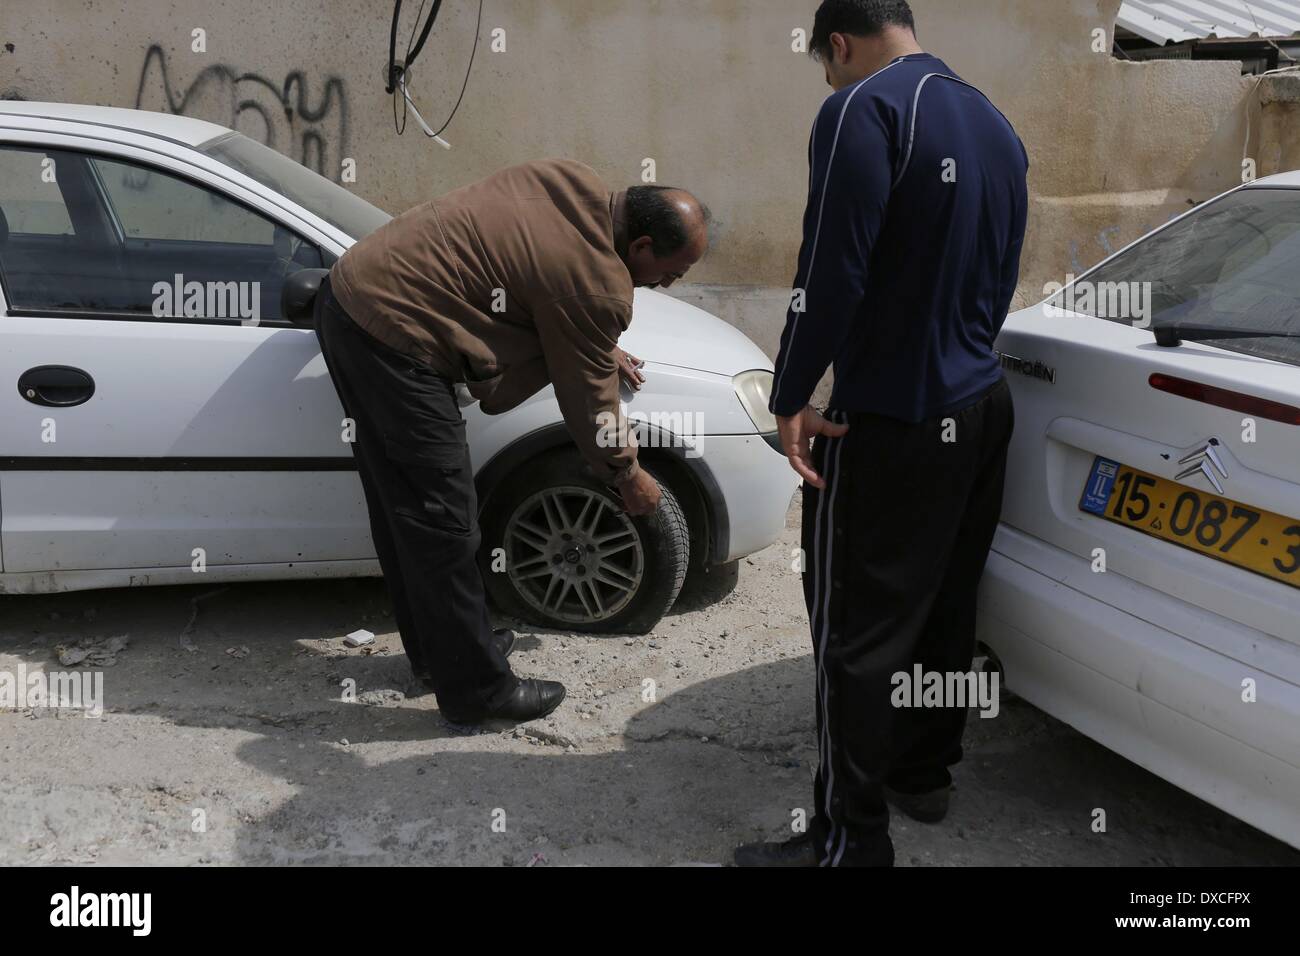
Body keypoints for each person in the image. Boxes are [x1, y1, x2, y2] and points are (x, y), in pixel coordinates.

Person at [735, 0, 1029, 865]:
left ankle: (848, 841)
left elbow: (830, 269)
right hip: (980, 406)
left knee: (854, 636)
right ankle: (923, 773)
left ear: (839, 43)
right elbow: (1002, 267)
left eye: (825, 64)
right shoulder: (994, 121)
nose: (827, 79)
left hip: (896, 419)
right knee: (942, 604)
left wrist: (791, 392)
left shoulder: (862, 108)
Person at [314, 159, 710, 724]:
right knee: (444, 521)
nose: (667, 285)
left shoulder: (569, 181)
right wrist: (628, 474)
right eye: (671, 273)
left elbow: (532, 275)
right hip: (396, 341)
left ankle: (440, 654)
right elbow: (593, 406)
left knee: (404, 508)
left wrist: (588, 340)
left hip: (351, 299)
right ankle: (478, 694)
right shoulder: (595, 284)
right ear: (641, 244)